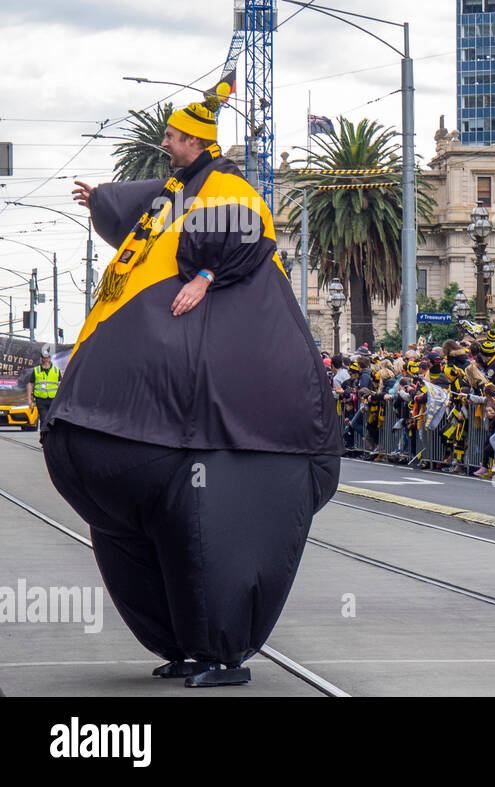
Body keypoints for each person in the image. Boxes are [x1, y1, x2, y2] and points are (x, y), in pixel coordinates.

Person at [44, 91, 342, 687]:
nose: (166, 147)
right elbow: (151, 199)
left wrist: (206, 275)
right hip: (163, 422)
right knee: (158, 537)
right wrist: (100, 198)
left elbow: (248, 234)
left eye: (174, 140)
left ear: (197, 142)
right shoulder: (182, 188)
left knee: (212, 526)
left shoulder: (229, 189)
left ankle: (219, 650)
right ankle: (184, 642)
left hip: (233, 421)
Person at [22, 348, 60, 430]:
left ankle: (50, 437)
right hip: (41, 400)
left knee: (52, 420)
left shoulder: (56, 370)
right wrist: (29, 399)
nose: (45, 359)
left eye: (47, 358)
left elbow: (60, 385)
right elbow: (30, 384)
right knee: (44, 418)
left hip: (53, 400)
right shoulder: (36, 370)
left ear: (50, 358)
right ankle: (44, 437)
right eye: (44, 358)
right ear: (41, 359)